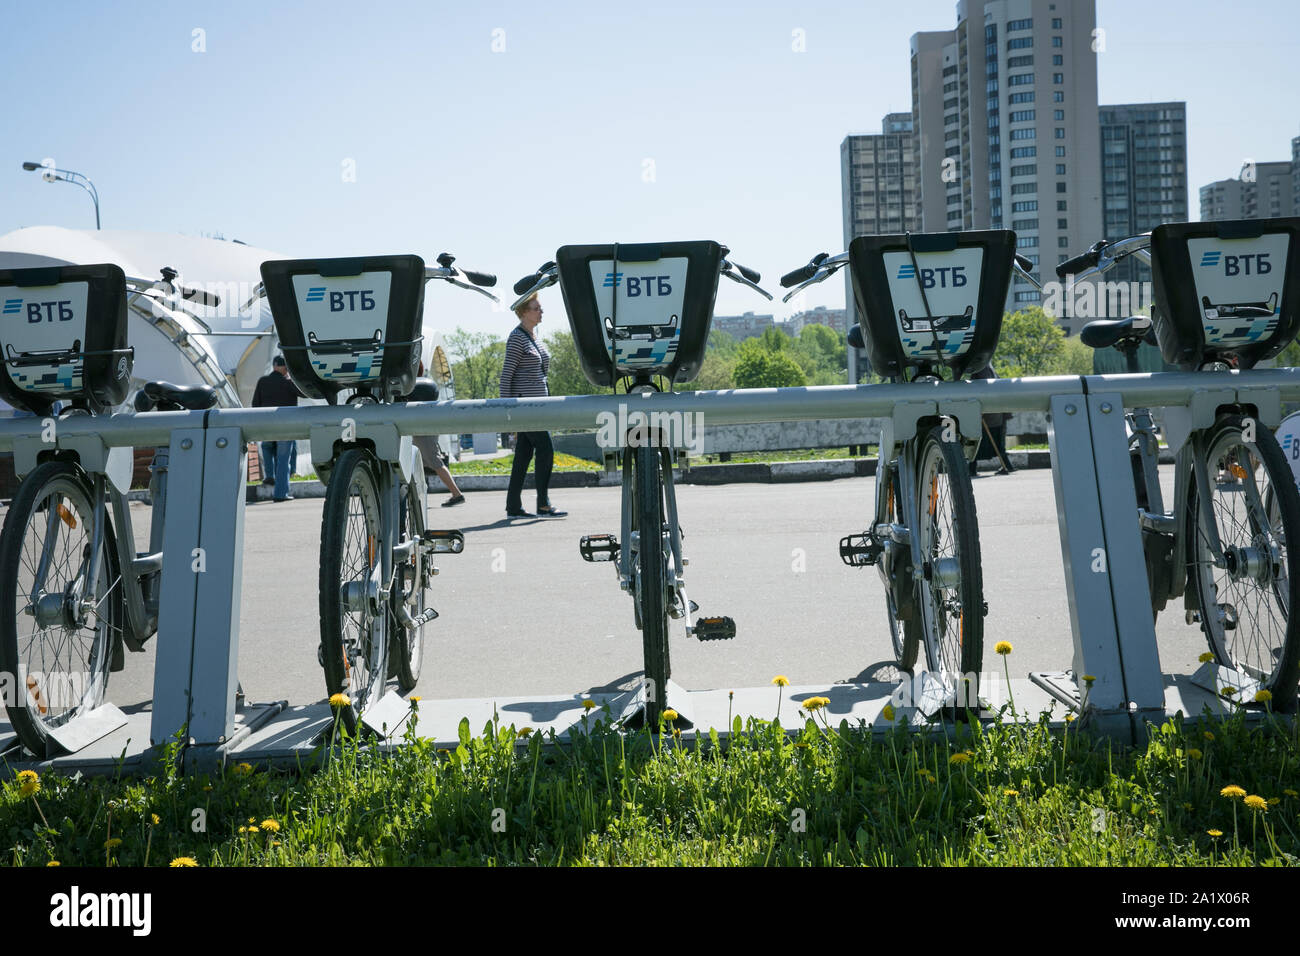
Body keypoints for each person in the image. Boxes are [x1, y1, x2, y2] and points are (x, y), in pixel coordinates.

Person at [499, 294, 566, 518]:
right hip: (525, 408)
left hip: (538, 407)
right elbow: (506, 375)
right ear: (524, 312)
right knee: (546, 449)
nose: (541, 312)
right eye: (537, 308)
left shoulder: (534, 337)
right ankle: (543, 503)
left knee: (523, 456)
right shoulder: (517, 337)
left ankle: (513, 506)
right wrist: (506, 410)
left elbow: (540, 373)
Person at [400, 376, 465, 506]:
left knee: (434, 461)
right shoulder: (428, 403)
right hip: (423, 426)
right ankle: (415, 497)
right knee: (422, 463)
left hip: (423, 428)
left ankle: (457, 494)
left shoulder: (421, 406)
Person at [251, 355, 304, 501]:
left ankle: (269, 476)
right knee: (282, 460)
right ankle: (281, 494)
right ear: (281, 368)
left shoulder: (263, 381)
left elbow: (255, 404)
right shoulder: (289, 383)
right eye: (286, 367)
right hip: (285, 428)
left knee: (267, 449)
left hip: (267, 426)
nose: (287, 370)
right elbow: (303, 393)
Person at [971, 363, 1014, 476]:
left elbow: (982, 389)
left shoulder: (981, 369)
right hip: (995, 413)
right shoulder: (988, 368)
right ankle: (1007, 465)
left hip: (989, 414)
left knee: (976, 441)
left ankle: (971, 469)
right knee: (996, 442)